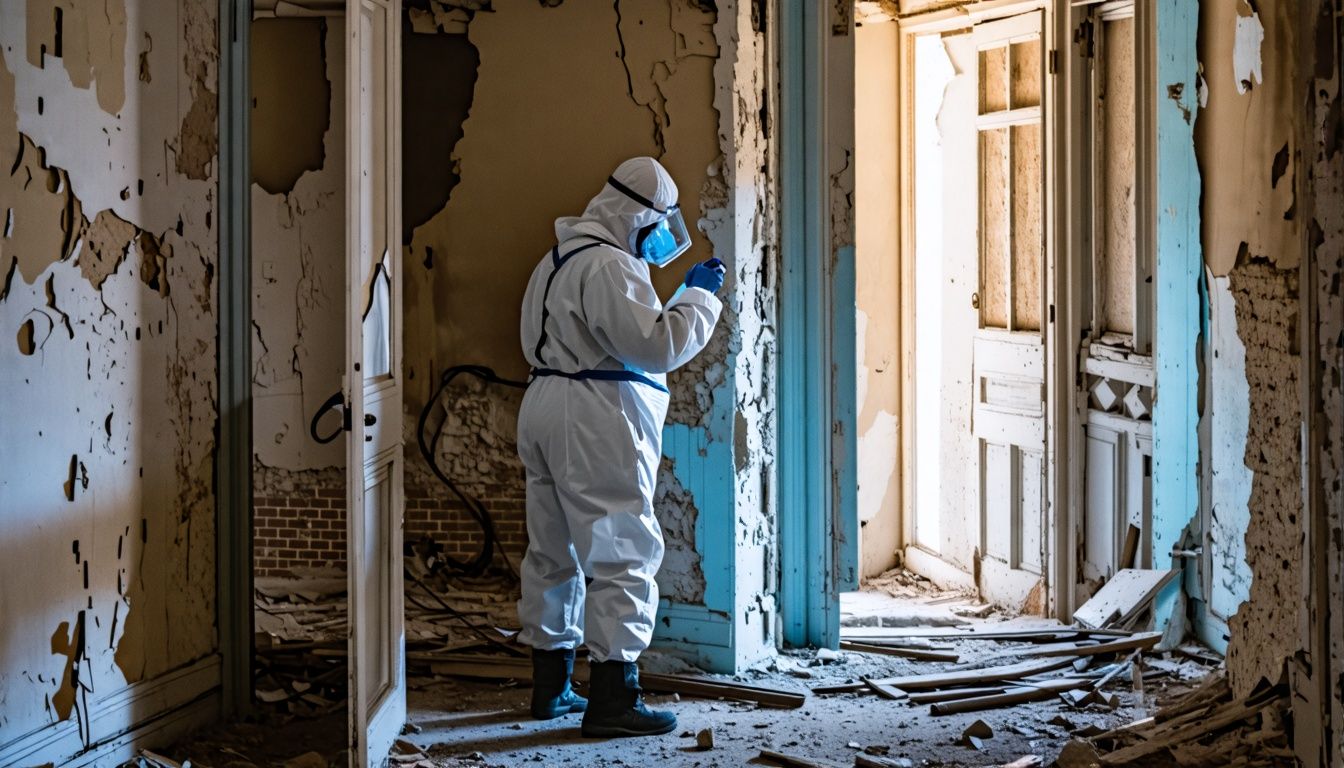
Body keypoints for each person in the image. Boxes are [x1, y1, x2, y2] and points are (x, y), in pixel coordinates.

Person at [515, 157, 726, 738]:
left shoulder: (557, 258)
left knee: (552, 550)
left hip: (544, 403)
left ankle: (550, 685)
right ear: (636, 215)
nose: (661, 238)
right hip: (593, 415)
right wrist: (698, 298)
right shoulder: (611, 265)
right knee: (623, 549)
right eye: (658, 224)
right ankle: (614, 698)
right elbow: (655, 345)